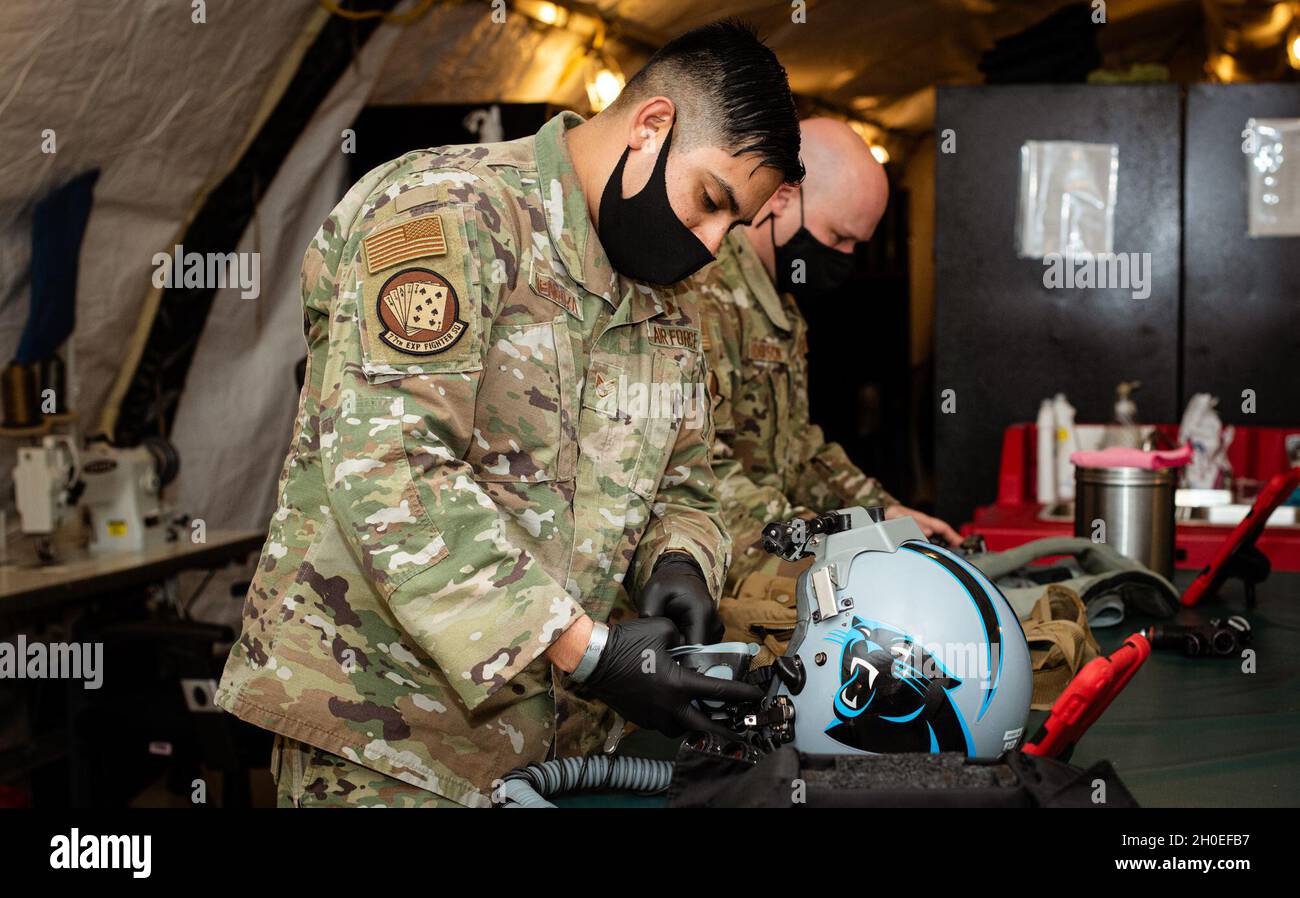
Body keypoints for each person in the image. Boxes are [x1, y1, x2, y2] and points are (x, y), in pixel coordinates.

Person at [216, 20, 803, 807]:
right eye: (710, 202)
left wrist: (677, 565)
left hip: (562, 748)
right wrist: (588, 651)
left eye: (734, 226)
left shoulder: (665, 298)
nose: (710, 243)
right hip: (392, 744)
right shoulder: (448, 212)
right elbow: (393, 472)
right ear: (652, 125)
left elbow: (686, 483)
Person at [692, 118, 959, 644]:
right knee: (873, 611)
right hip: (718, 547)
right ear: (784, 197)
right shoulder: (703, 294)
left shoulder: (781, 305)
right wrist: (829, 537)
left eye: (854, 246)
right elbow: (699, 471)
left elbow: (798, 447)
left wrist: (882, 513)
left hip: (768, 532)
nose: (842, 259)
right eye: (836, 237)